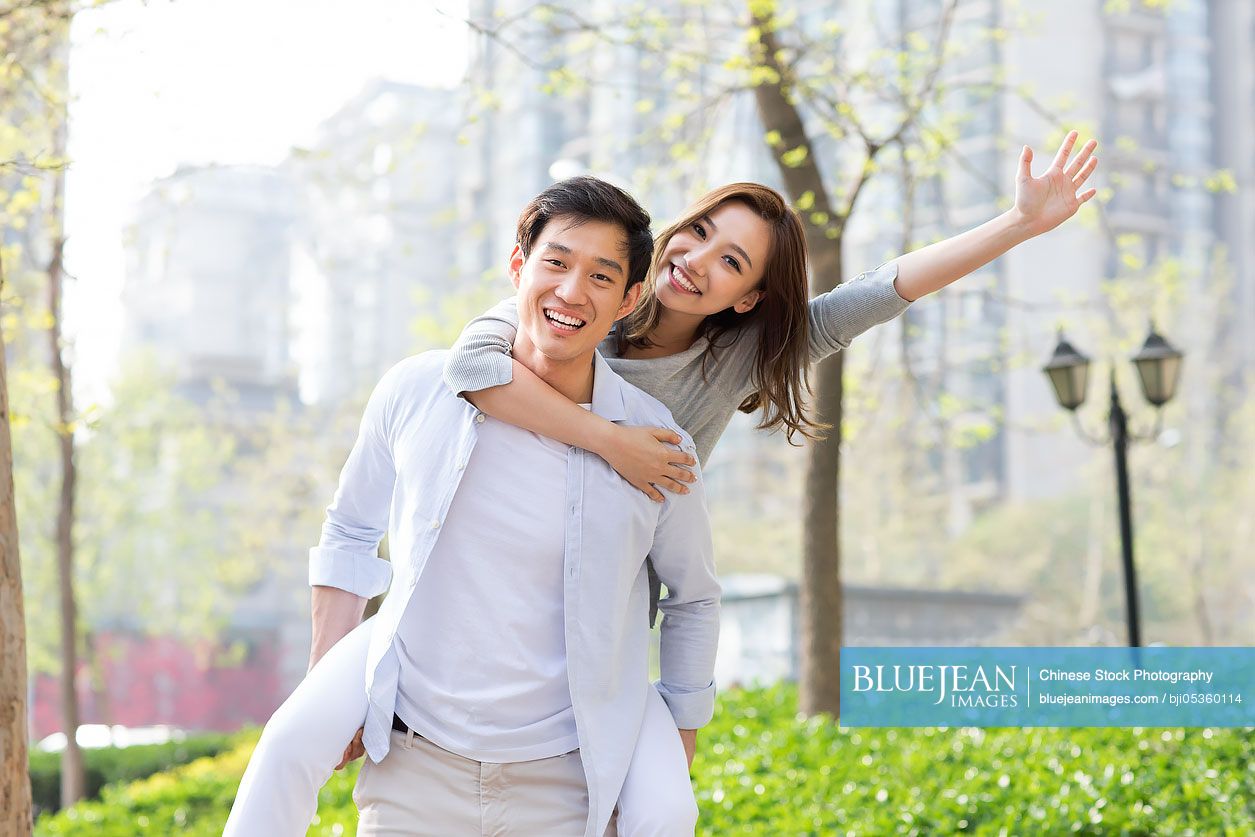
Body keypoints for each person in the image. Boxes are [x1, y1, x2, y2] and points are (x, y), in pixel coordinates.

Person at [225, 176, 721, 837]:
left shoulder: (656, 445)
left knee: (666, 813)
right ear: (517, 265)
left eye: (602, 276)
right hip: (415, 741)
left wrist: (680, 739)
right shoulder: (417, 389)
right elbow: (349, 529)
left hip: (567, 755)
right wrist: (331, 687)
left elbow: (692, 599)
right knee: (285, 747)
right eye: (556, 262)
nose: (572, 291)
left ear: (630, 298)